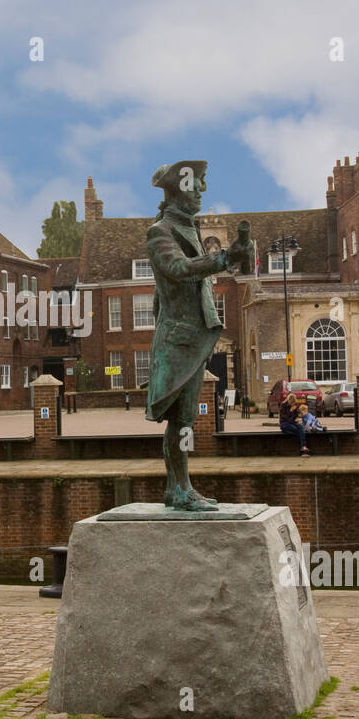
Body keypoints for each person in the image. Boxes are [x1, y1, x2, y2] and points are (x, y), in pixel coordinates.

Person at [145, 159, 255, 510]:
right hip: (179, 340)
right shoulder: (160, 231)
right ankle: (180, 490)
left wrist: (239, 255)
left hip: (194, 336)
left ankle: (178, 488)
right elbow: (178, 269)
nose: (202, 192)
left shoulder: (190, 229)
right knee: (181, 420)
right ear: (179, 192)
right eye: (197, 187)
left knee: (186, 419)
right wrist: (222, 258)